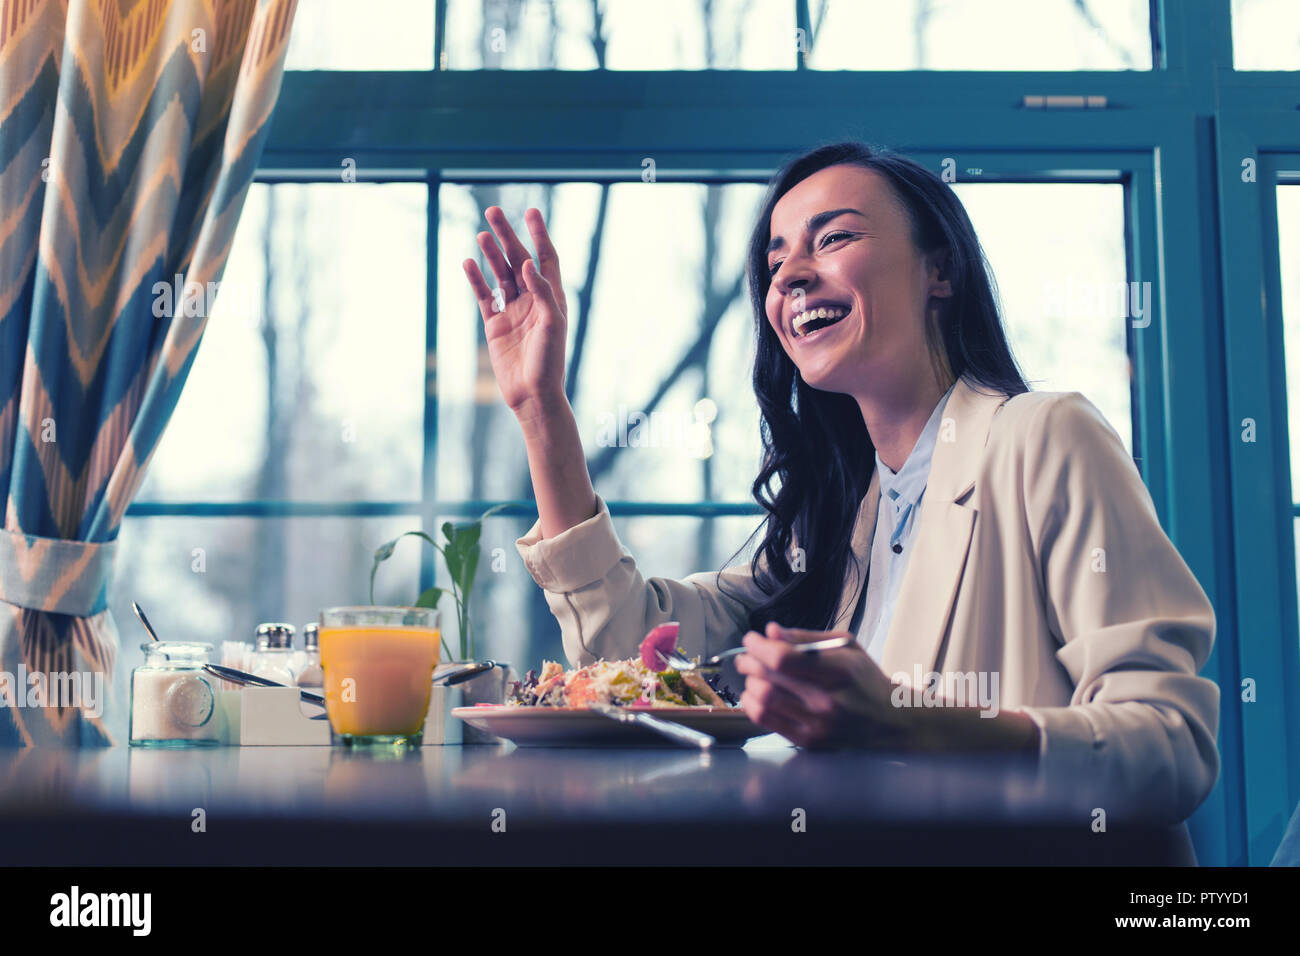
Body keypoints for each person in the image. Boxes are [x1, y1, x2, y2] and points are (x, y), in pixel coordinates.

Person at [461, 141, 1219, 823]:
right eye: (775, 261)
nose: (789, 273)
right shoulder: (839, 520)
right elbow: (630, 652)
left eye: (836, 238)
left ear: (940, 270)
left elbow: (1170, 747)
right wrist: (540, 408)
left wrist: (905, 720)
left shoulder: (1045, 438)